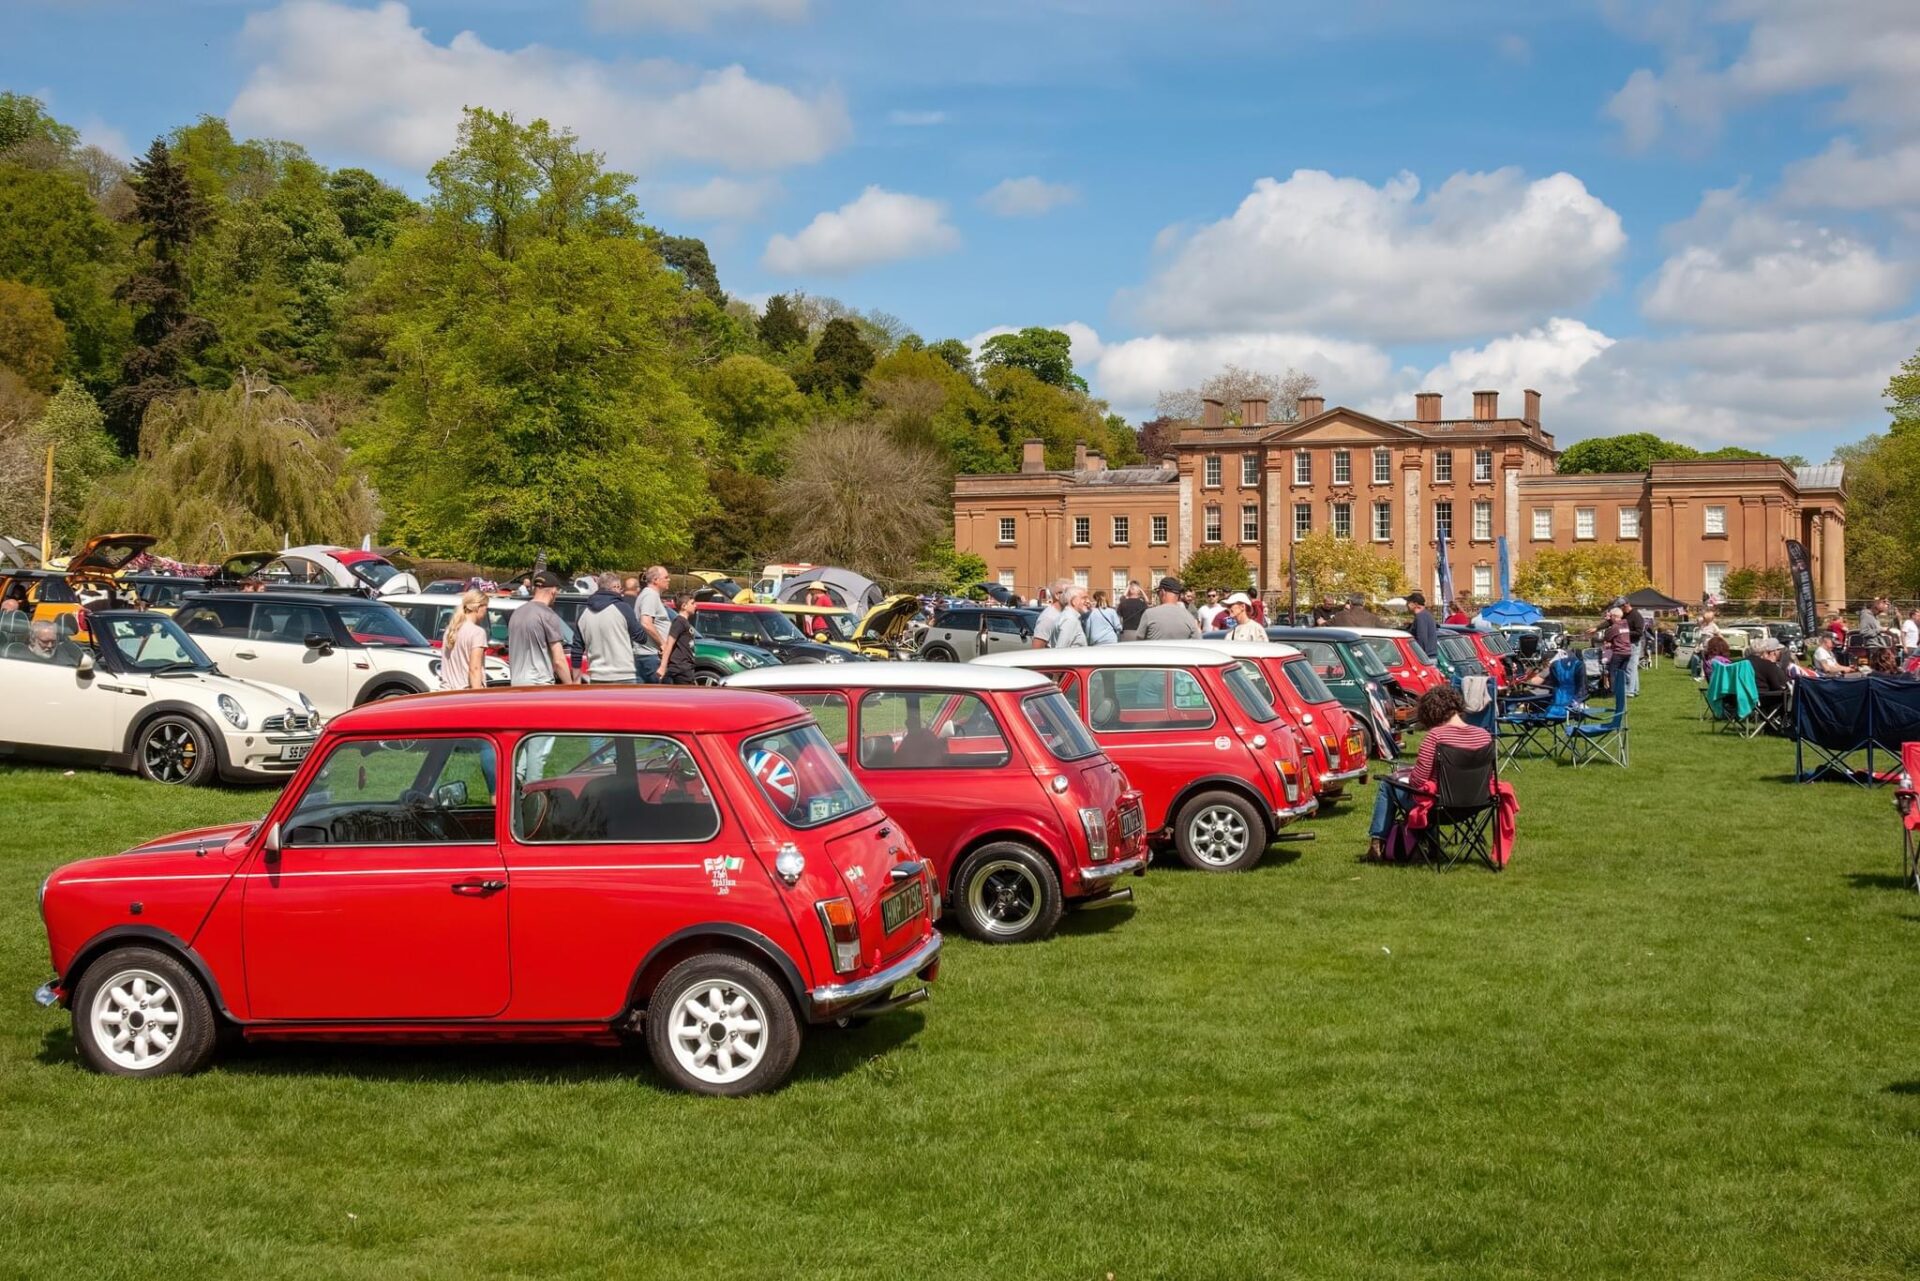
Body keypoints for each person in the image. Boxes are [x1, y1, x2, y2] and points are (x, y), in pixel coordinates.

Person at [1366, 683, 1492, 862]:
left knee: (1388, 784)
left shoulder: (1435, 737)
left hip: (1439, 807)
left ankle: (1377, 845)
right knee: (1430, 791)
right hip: (1476, 803)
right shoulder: (1484, 736)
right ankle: (1431, 846)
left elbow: (1417, 783)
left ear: (1430, 712)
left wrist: (1402, 775)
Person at [507, 571, 575, 686]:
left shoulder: (516, 613)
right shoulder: (548, 614)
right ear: (553, 591)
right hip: (539, 685)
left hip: (516, 684)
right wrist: (571, 687)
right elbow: (558, 660)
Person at [580, 571, 650, 684]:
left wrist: (574, 679)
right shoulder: (623, 608)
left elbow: (577, 648)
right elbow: (641, 637)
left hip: (597, 675)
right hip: (623, 674)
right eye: (619, 588)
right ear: (616, 587)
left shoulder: (584, 612)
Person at [439, 589, 490, 691]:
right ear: (478, 607)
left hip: (446, 692)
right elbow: (475, 668)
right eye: (486, 608)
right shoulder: (478, 632)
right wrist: (479, 696)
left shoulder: (451, 629)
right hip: (465, 693)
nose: (486, 612)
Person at [634, 565, 672, 682]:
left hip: (648, 656)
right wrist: (663, 644)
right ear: (655, 580)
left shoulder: (650, 595)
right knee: (660, 696)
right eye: (666, 577)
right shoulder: (650, 595)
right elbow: (646, 622)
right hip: (650, 657)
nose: (669, 579)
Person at [1747, 636, 1790, 723]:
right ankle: (1781, 723)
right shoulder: (1767, 665)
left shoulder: (1739, 664)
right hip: (1762, 697)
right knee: (1787, 695)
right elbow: (1775, 686)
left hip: (1743, 696)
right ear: (1764, 652)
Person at [659, 595, 699, 685]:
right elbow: (669, 644)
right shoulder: (679, 622)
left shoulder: (685, 622)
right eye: (692, 603)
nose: (695, 606)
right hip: (680, 668)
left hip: (686, 668)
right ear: (684, 606)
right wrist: (662, 667)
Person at [1598, 606, 1633, 704]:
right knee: (1622, 672)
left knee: (1612, 672)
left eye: (1611, 616)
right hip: (1628, 652)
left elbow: (1607, 636)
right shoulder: (1625, 624)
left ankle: (1612, 691)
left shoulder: (1615, 626)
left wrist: (1608, 622)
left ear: (1614, 616)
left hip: (1619, 652)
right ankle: (1622, 690)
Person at [1032, 578, 1070, 649]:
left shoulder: (1065, 614)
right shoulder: (1048, 618)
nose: (1074, 596)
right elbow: (1036, 649)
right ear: (1058, 595)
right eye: (1070, 593)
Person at [1620, 599, 1646, 697]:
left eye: (1622, 607)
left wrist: (1625, 632)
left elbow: (1639, 632)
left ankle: (1630, 691)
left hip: (1634, 644)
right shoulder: (1624, 614)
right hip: (1628, 643)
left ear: (1627, 604)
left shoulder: (1636, 616)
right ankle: (1635, 689)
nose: (1621, 609)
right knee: (1632, 668)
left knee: (1630, 668)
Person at [1406, 590, 1440, 658]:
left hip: (1425, 657)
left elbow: (1421, 639)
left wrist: (1419, 656)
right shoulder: (1426, 614)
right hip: (1430, 656)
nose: (1406, 605)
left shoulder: (1420, 617)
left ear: (1415, 604)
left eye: (1408, 602)